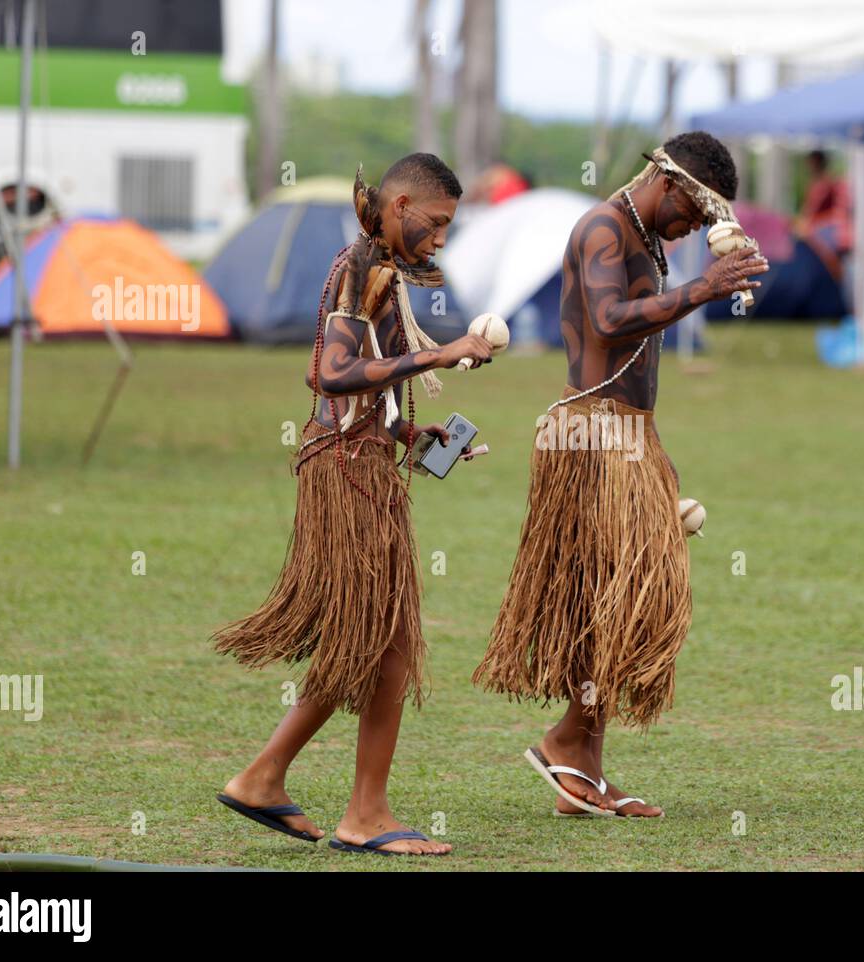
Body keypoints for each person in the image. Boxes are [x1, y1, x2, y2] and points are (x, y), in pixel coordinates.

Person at [472, 132, 767, 818]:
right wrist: (702, 289)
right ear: (669, 184)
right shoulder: (603, 227)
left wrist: (654, 447)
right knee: (627, 600)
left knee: (605, 602)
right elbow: (607, 321)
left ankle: (586, 770)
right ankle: (563, 742)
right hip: (592, 435)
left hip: (627, 435)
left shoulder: (647, 234)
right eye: (693, 217)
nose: (694, 232)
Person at [212, 154, 494, 856]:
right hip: (345, 470)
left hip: (363, 459)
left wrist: (410, 430)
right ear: (398, 204)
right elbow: (330, 374)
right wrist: (438, 357)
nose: (441, 239)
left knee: (374, 640)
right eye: (434, 223)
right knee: (383, 640)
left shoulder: (382, 269)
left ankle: (266, 777)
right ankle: (360, 813)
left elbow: (365, 387)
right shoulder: (359, 266)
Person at [793, 149, 851, 255]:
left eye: (811, 163)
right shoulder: (818, 183)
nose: (808, 167)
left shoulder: (826, 184)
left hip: (825, 235)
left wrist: (804, 226)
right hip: (821, 234)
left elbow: (812, 211)